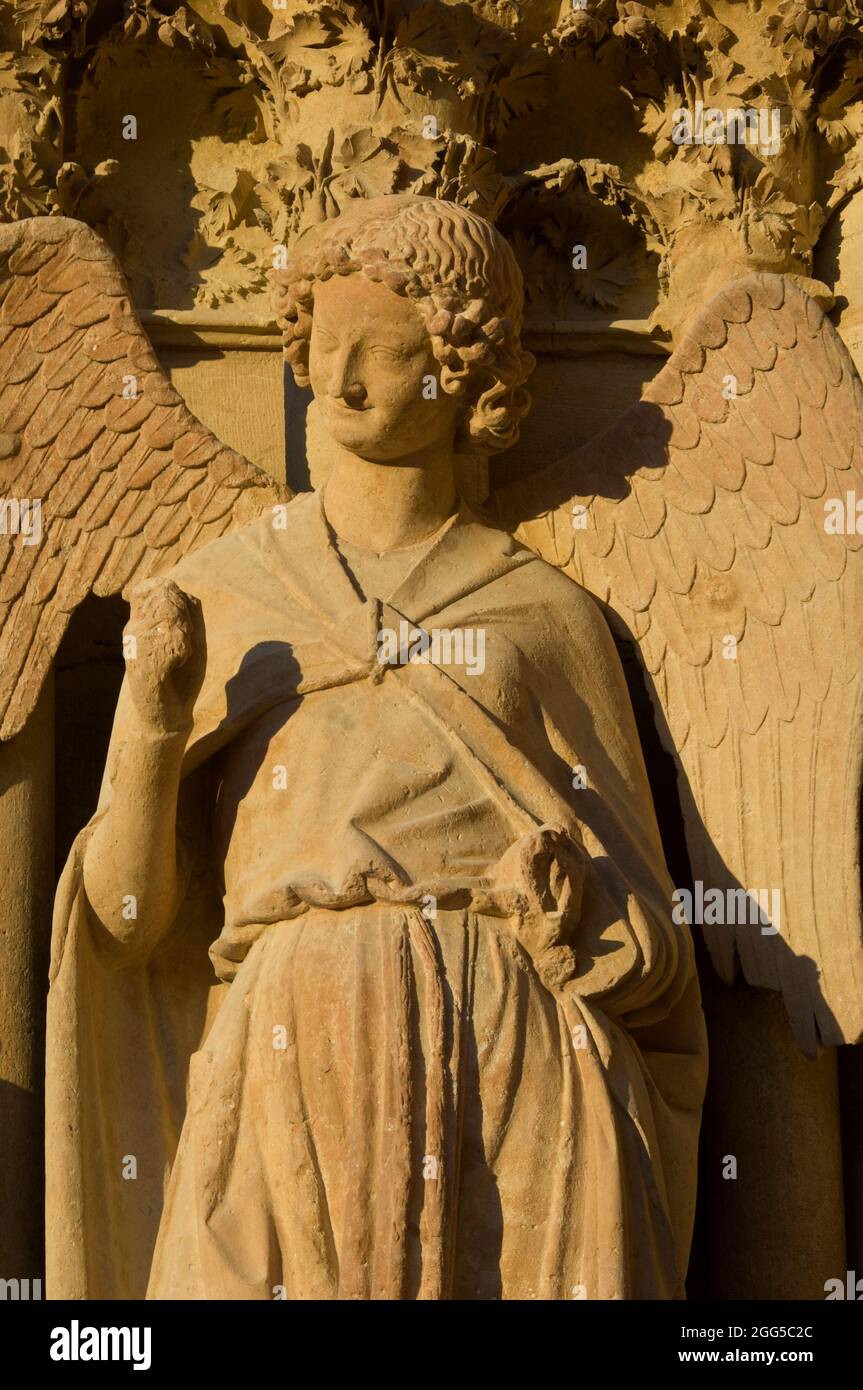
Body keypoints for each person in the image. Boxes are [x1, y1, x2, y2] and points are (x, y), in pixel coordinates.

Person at [46, 194, 706, 1301]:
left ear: (467, 377)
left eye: (384, 354)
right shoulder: (225, 590)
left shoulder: (542, 614)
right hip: (284, 1041)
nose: (336, 381)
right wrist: (154, 720)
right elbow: (123, 920)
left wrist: (575, 916)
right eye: (320, 342)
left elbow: (660, 955)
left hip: (508, 1047)